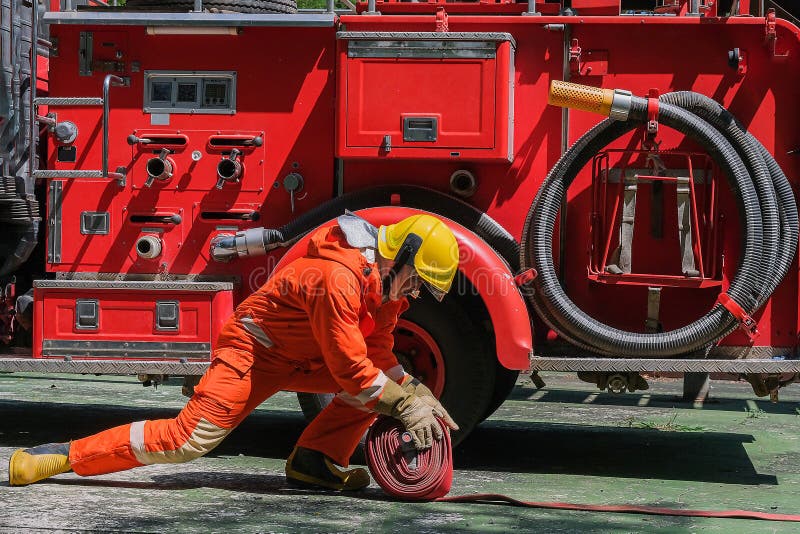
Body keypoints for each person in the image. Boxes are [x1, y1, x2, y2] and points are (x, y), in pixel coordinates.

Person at [8, 212, 460, 491]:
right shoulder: (337, 278)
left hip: (303, 357)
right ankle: (64, 455)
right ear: (400, 256)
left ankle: (316, 461)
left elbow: (376, 354)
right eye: (417, 280)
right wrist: (402, 400)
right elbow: (351, 369)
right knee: (187, 442)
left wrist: (414, 392)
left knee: (378, 389)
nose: (416, 293)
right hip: (253, 353)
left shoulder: (387, 288)